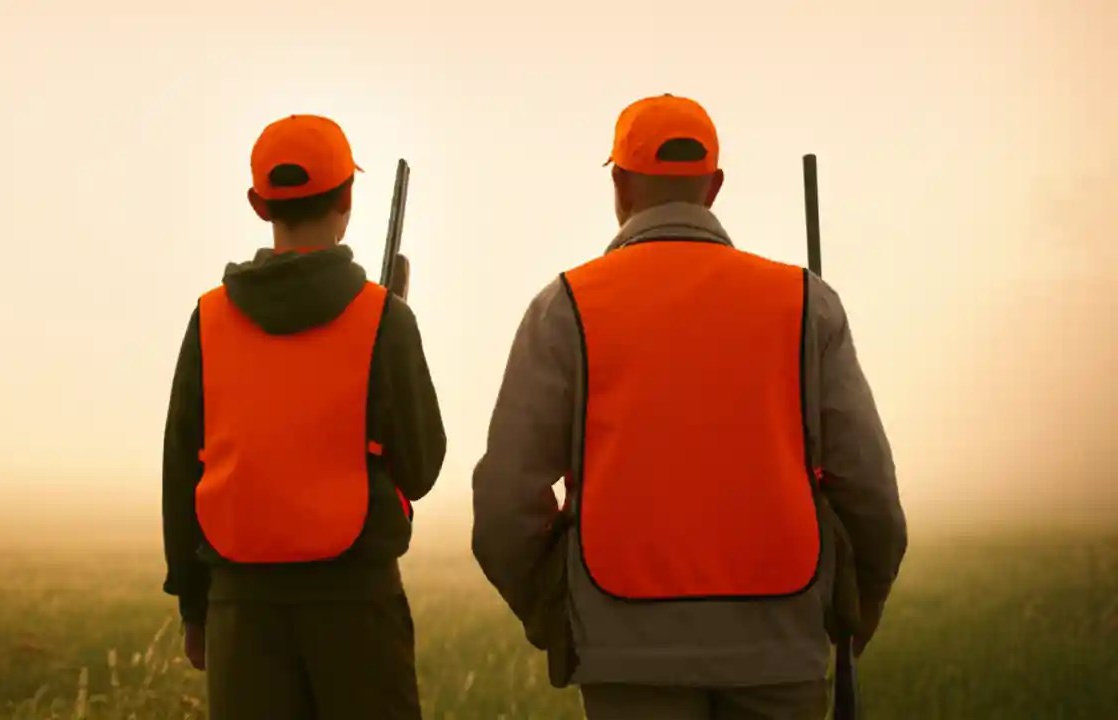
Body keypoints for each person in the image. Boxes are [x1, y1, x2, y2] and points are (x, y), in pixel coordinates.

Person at [471, 93, 907, 719]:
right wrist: (850, 617)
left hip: (623, 654)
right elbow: (871, 495)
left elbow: (505, 507)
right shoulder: (805, 302)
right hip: (781, 651)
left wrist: (564, 613)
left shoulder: (565, 306)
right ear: (714, 186)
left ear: (619, 184)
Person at [161, 113, 446, 720]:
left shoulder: (209, 319)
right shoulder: (384, 320)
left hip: (240, 607)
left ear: (259, 203)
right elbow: (421, 468)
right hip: (358, 603)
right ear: (347, 198)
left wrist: (194, 605)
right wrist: (389, 332)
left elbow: (180, 468)